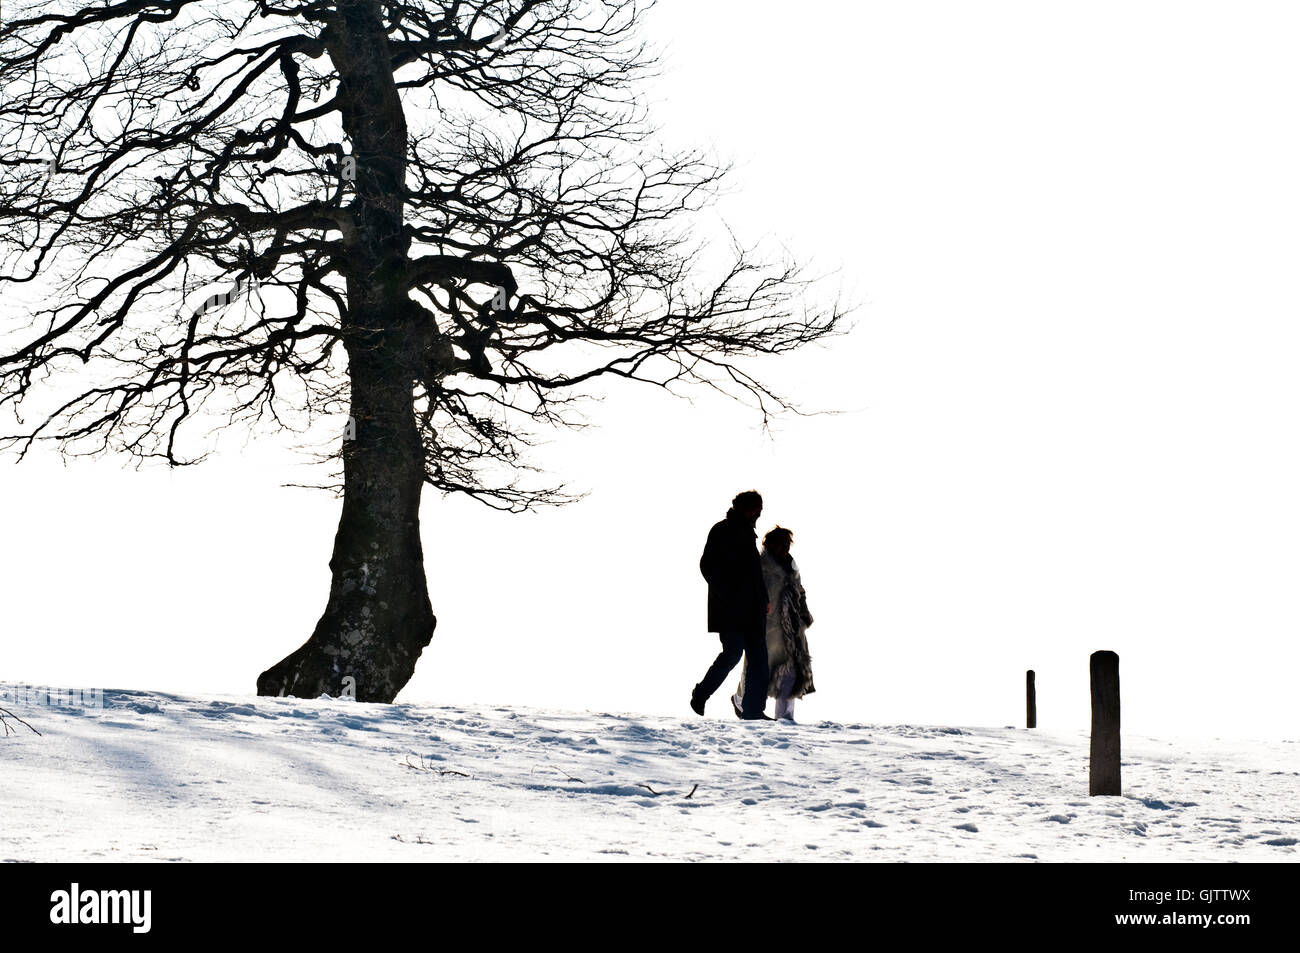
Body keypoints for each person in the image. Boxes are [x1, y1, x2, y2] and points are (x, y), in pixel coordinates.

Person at [691, 490, 771, 720]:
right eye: (756, 508)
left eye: (760, 509)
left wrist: (764, 599)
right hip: (731, 610)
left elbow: (755, 575)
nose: (759, 513)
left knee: (759, 659)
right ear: (744, 507)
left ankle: (753, 710)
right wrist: (727, 595)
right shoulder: (722, 530)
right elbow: (707, 566)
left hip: (753, 610)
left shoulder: (748, 533)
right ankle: (701, 693)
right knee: (732, 654)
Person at [732, 526, 815, 722]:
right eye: (782, 543)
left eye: (788, 543)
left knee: (791, 673)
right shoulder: (760, 565)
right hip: (767, 626)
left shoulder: (791, 564)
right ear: (771, 544)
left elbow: (800, 591)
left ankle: (785, 719)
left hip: (792, 628)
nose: (786, 547)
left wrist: (803, 614)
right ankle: (740, 700)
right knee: (758, 669)